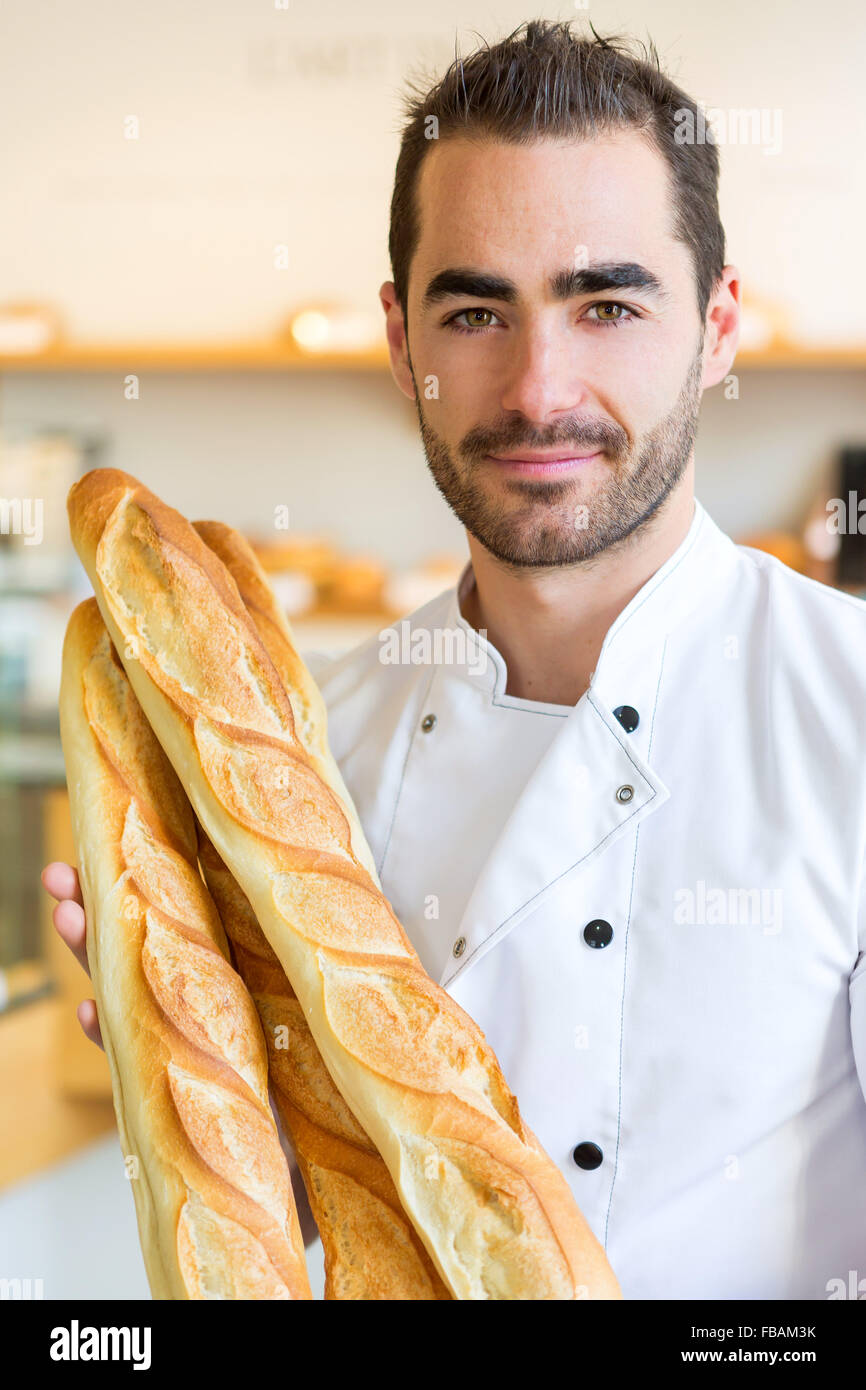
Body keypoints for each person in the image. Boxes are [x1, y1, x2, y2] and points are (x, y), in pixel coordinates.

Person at [43, 20, 866, 1300]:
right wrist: (229, 1084)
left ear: (715, 329)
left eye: (606, 302)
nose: (538, 387)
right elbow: (335, 1213)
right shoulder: (308, 755)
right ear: (400, 340)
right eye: (475, 309)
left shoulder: (847, 711)